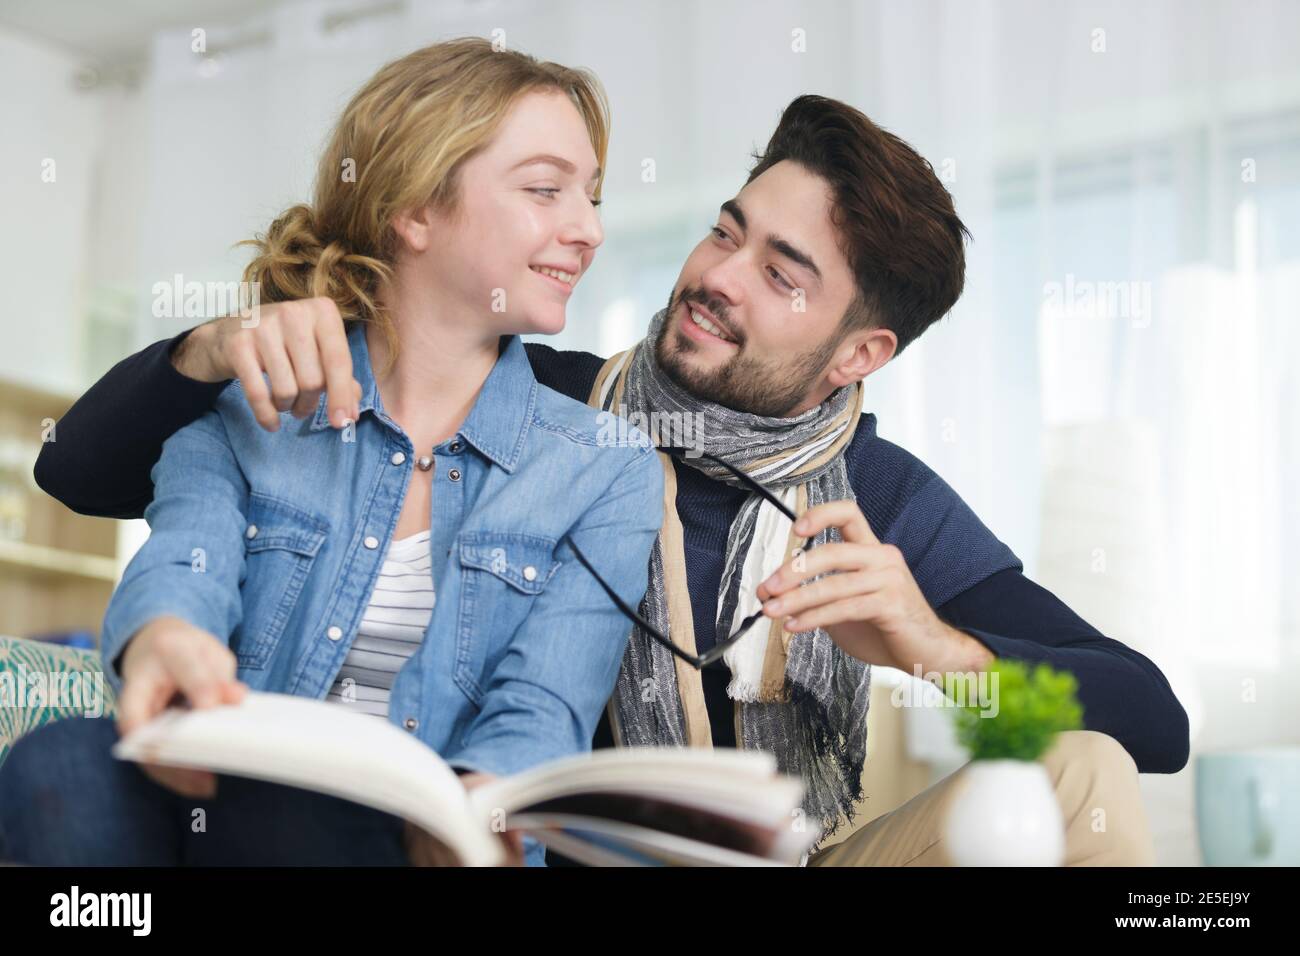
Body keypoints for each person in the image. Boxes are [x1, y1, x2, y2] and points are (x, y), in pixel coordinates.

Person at [27, 93, 1188, 866]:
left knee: (1074, 764)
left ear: (858, 354)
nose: (717, 276)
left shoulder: (879, 492)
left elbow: (1152, 718)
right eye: (726, 229)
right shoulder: (550, 401)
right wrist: (204, 350)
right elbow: (86, 472)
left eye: (779, 273)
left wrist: (939, 649)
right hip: (556, 849)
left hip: (789, 855)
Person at [0, 38, 664, 868]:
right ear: (415, 210)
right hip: (231, 813)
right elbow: (184, 561)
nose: (591, 230)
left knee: (307, 821)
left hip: (417, 842)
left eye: (592, 197)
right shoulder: (250, 404)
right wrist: (167, 638)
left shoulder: (606, 465)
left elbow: (542, 707)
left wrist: (478, 800)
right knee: (60, 762)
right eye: (545, 190)